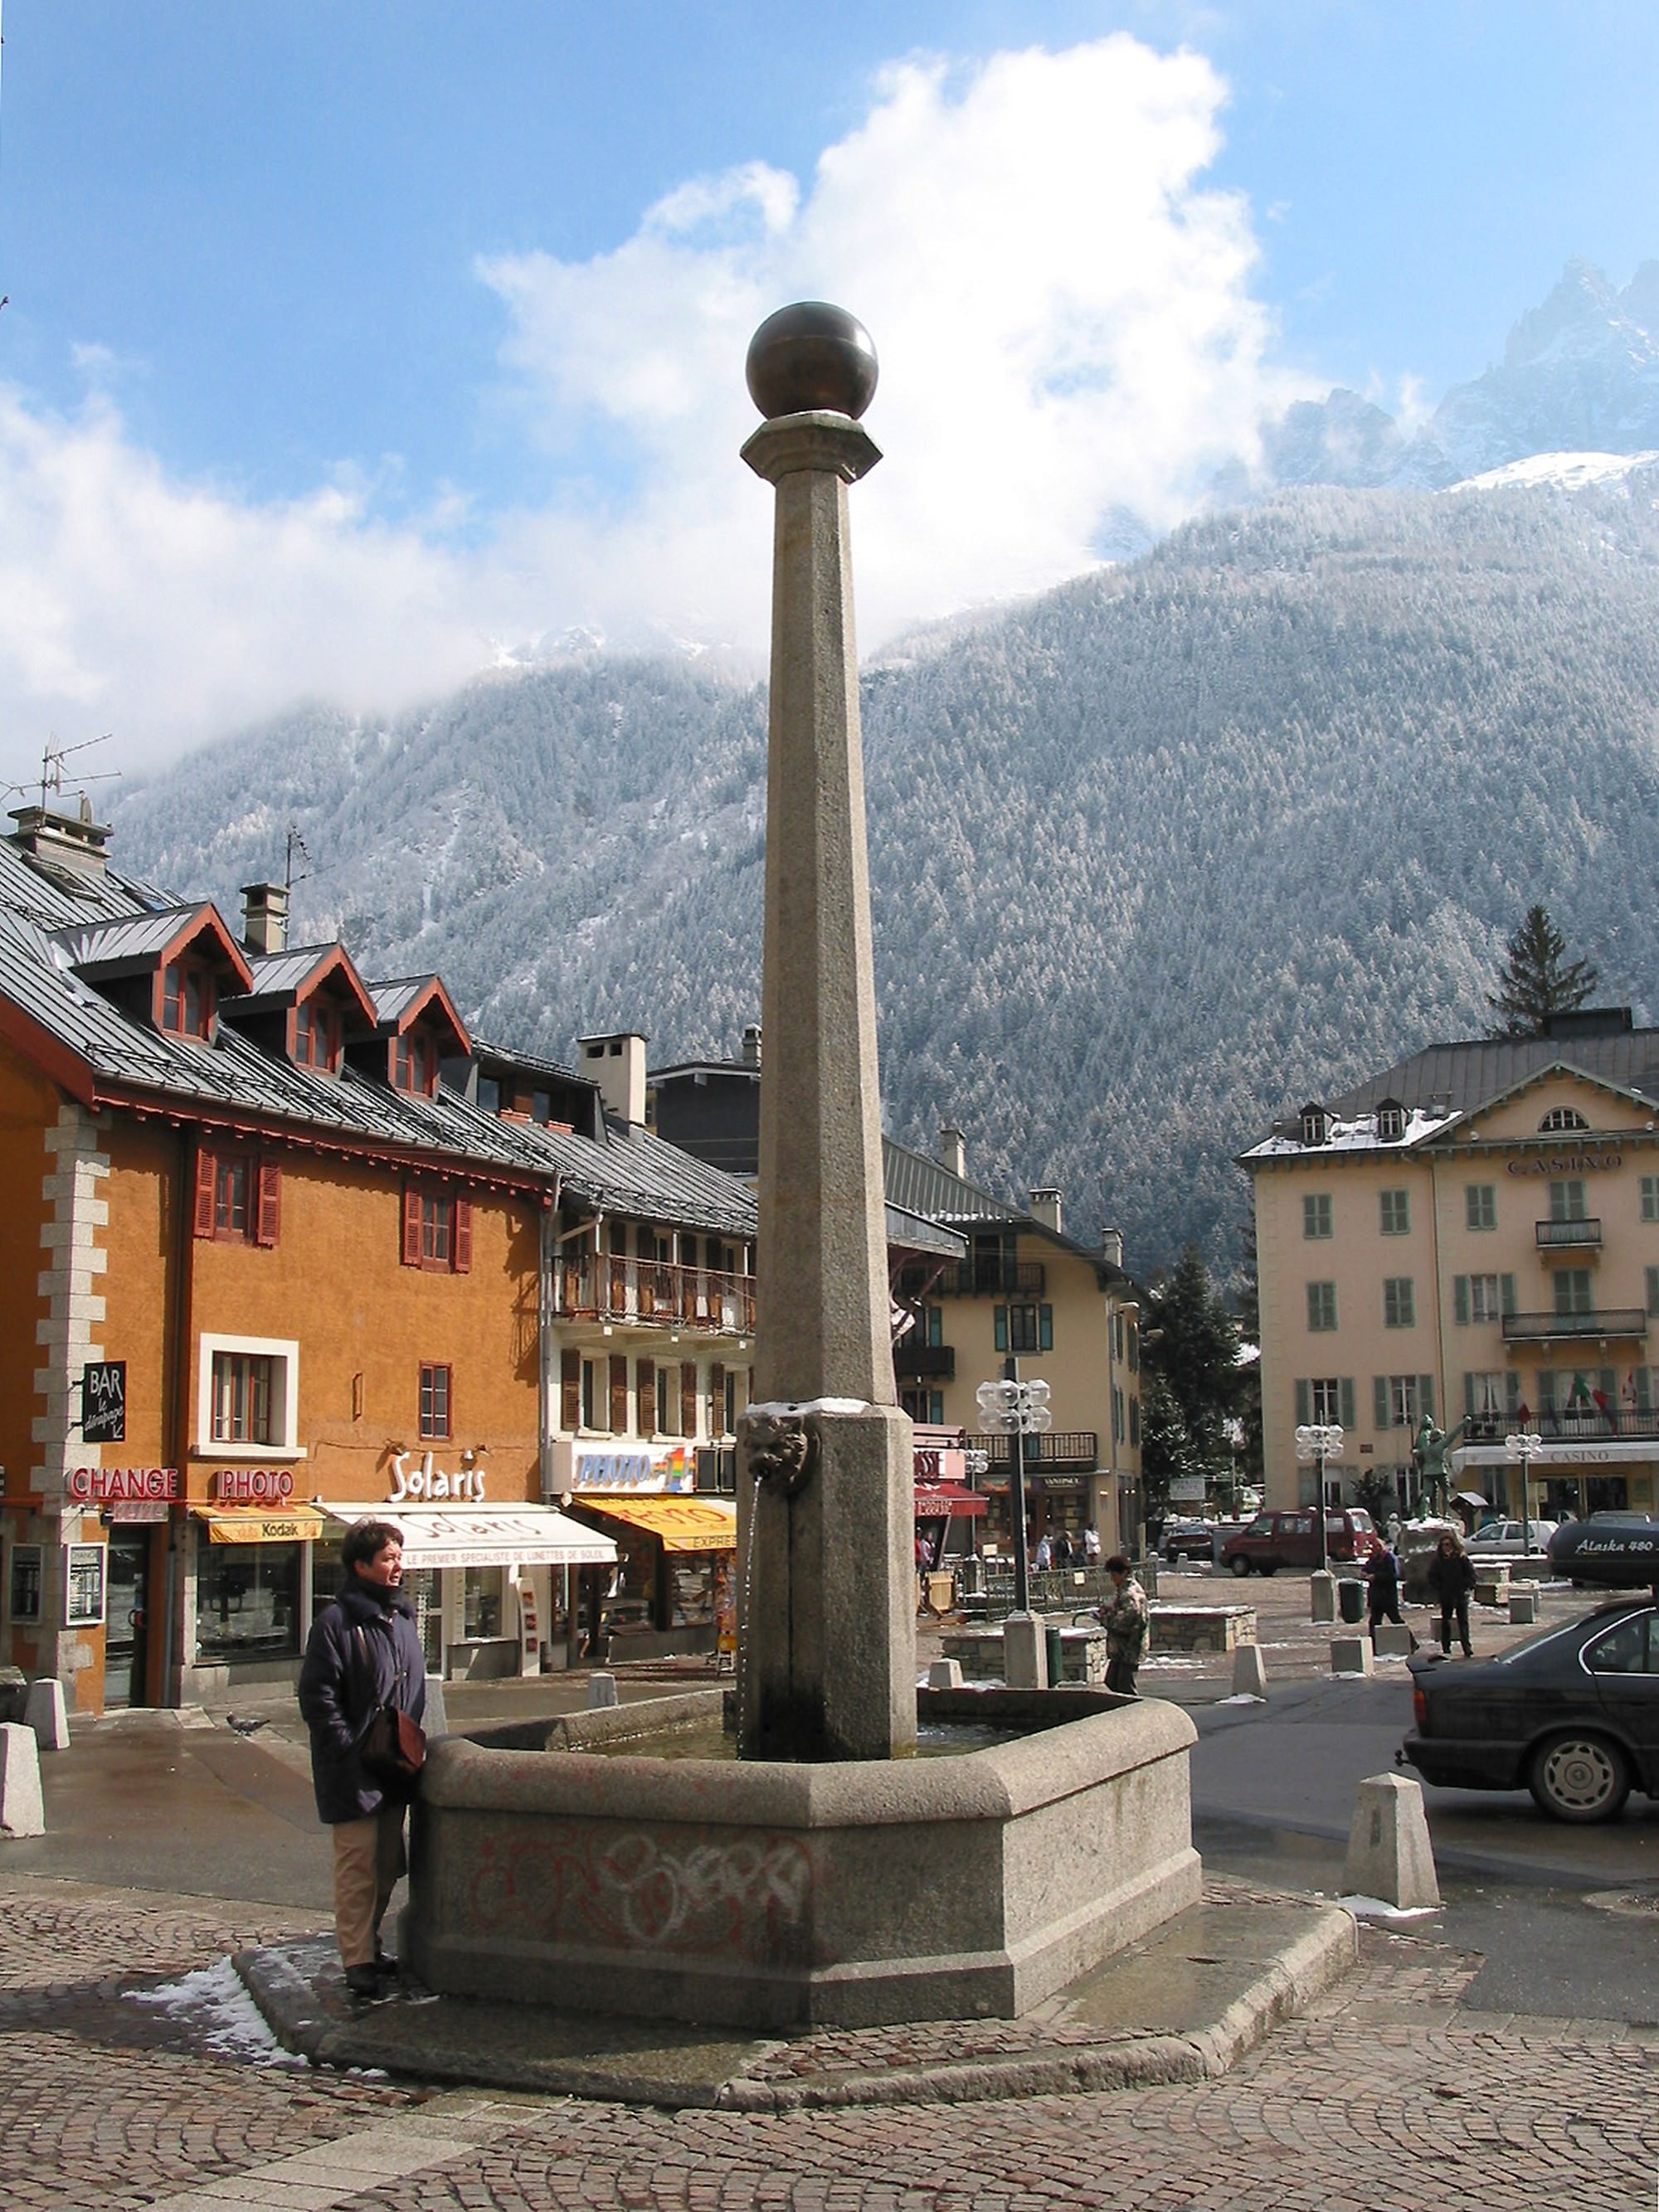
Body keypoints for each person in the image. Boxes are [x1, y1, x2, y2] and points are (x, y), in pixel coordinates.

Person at [298, 1517, 427, 2000]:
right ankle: (357, 1959)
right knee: (357, 1867)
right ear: (360, 1565)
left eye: (398, 1556)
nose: (397, 1566)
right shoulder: (336, 1623)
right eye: (387, 1558)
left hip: (394, 1764)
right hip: (353, 1768)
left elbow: (410, 1687)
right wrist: (345, 1747)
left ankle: (370, 1945)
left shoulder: (401, 1619)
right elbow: (317, 1695)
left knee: (389, 1863)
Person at [1097, 1554, 1149, 1696]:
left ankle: (1134, 1715)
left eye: (1114, 1574)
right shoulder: (1123, 1590)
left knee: (1125, 1686)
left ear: (1124, 1573)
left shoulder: (1130, 1593)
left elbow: (1129, 1618)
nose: (1112, 1578)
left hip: (1129, 1647)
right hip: (1121, 1648)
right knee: (1112, 1683)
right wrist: (1109, 1610)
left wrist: (1105, 1619)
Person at [1425, 1529, 1476, 1658]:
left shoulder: (1461, 1558)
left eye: (1448, 1544)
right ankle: (1446, 1647)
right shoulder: (1438, 1561)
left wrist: (1466, 1586)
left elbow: (1471, 1575)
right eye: (1443, 1545)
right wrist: (1439, 1587)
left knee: (1463, 1621)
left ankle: (1466, 1647)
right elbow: (1432, 1576)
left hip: (1460, 1594)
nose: (1446, 1548)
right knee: (1446, 1621)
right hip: (1446, 1594)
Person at [1364, 1542, 1416, 1652]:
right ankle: (1373, 1648)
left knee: (1396, 1620)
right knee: (1374, 1622)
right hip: (1376, 1596)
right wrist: (1364, 1574)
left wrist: (1376, 1577)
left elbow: (1393, 1575)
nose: (1376, 1549)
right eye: (1374, 1547)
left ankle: (1412, 1643)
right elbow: (1366, 1569)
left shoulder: (1389, 1558)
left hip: (1388, 1596)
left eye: (1378, 1546)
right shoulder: (1373, 1559)